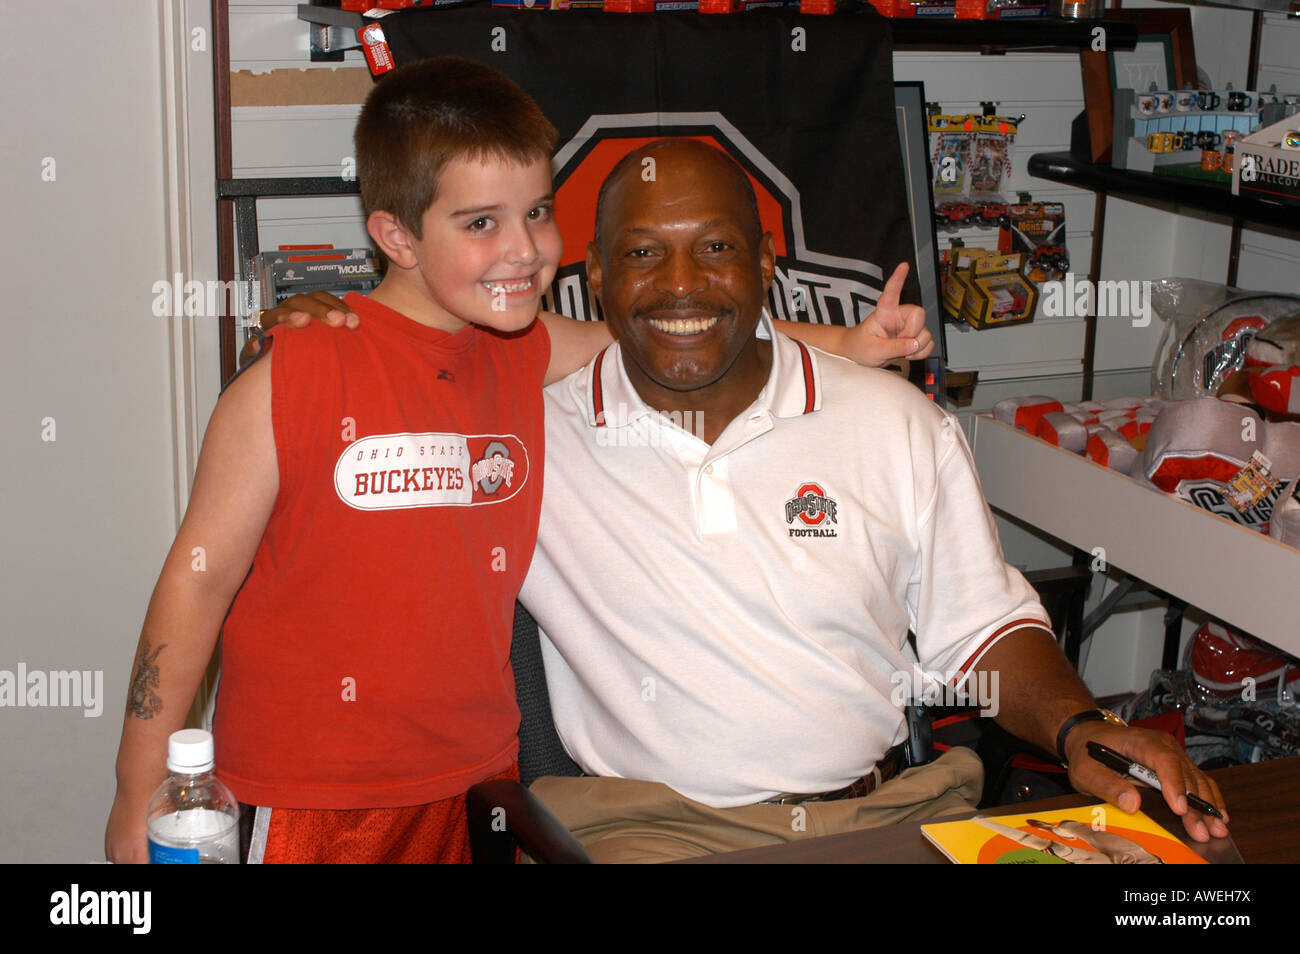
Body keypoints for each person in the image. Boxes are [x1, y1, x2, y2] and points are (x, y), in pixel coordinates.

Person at [107, 60, 927, 864]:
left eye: (537, 212)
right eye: (479, 224)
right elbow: (195, 582)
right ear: (395, 234)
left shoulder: (524, 351)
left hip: (481, 788)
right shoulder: (293, 373)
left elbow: (668, 333)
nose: (525, 250)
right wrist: (136, 796)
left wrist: (850, 344)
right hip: (310, 799)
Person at [514, 139, 1229, 862]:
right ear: (596, 273)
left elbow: (978, 626)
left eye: (715, 247)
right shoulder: (529, 445)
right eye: (641, 254)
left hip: (889, 814)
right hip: (652, 836)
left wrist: (1082, 726)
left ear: (765, 261)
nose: (680, 285)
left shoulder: (894, 423)